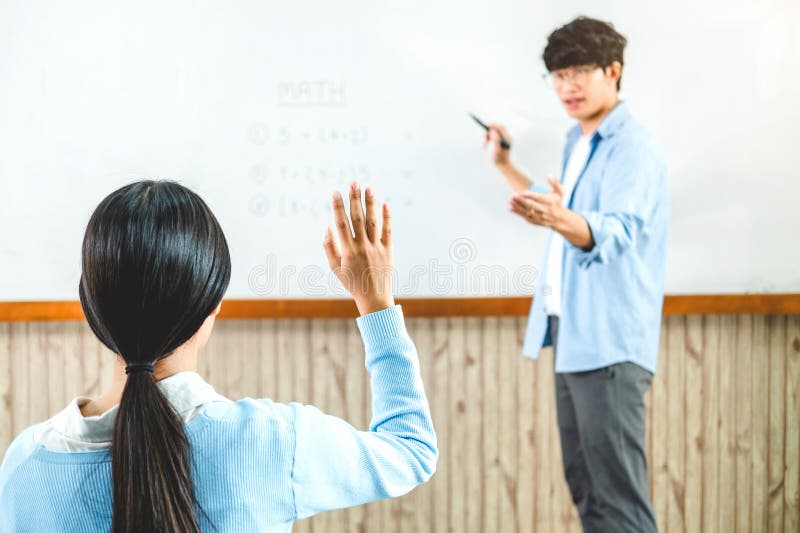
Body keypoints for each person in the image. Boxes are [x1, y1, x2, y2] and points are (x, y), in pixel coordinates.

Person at [0, 179, 437, 532]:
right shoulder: (271, 441)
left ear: (91, 307)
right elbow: (411, 450)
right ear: (213, 304)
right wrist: (375, 302)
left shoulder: (24, 465)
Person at [483, 16, 668, 533]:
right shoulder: (579, 140)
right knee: (588, 489)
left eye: (580, 71)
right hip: (572, 336)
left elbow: (614, 231)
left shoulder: (632, 145)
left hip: (608, 341)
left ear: (613, 70)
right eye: (559, 75)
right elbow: (562, 214)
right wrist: (504, 165)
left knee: (618, 500)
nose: (568, 86)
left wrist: (559, 217)